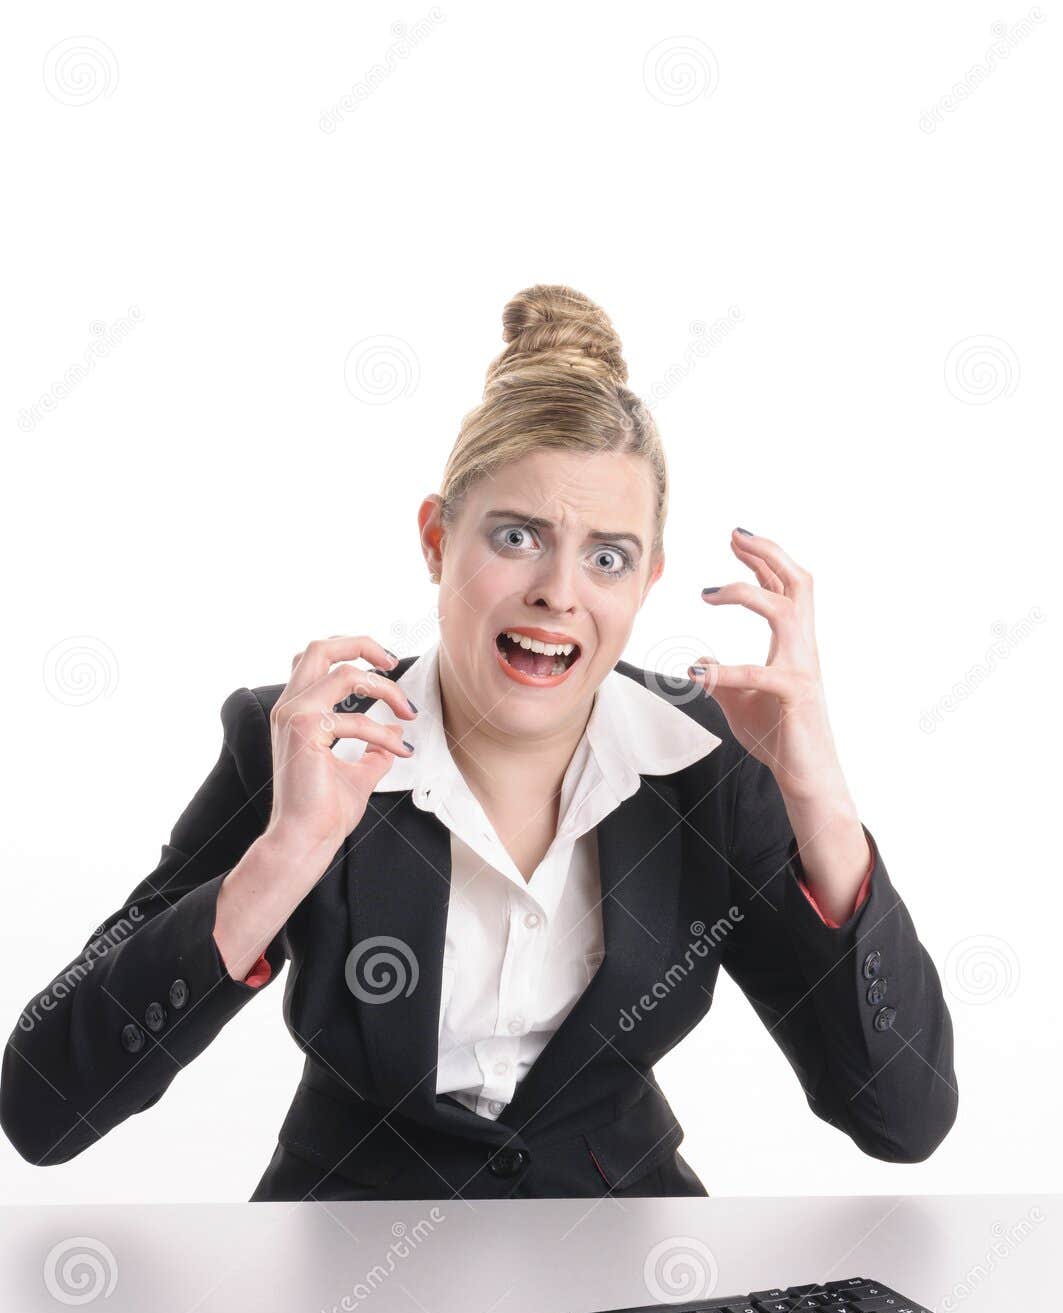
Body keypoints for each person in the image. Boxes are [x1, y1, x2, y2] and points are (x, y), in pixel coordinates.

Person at [1, 283, 957, 1200]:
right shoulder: (302, 740)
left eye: (607, 557)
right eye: (515, 537)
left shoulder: (707, 760)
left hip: (626, 1264)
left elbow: (901, 1121)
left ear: (648, 578)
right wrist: (287, 852)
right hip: (344, 1267)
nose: (558, 591)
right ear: (435, 539)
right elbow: (44, 1110)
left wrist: (819, 795)